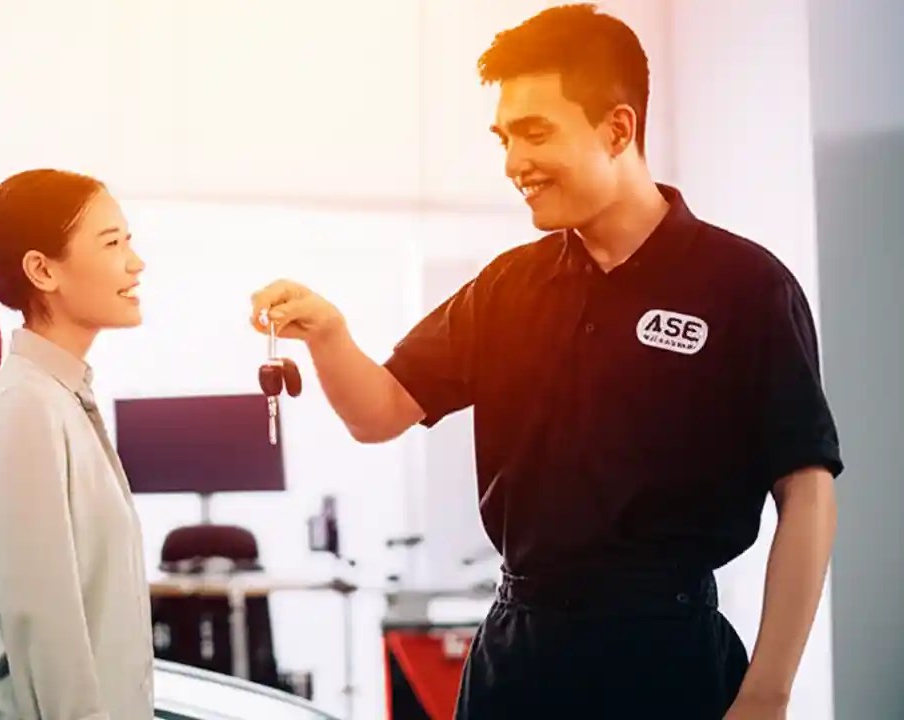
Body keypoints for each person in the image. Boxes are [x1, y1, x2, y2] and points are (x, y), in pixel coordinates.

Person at [249, 4, 842, 718]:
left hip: (667, 656)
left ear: (617, 128)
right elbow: (381, 413)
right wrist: (329, 335)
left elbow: (806, 493)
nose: (512, 164)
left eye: (535, 133)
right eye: (503, 138)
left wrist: (768, 694)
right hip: (518, 656)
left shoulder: (744, 285)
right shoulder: (507, 286)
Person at [0, 168, 153, 720]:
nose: (135, 262)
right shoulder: (25, 404)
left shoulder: (60, 398)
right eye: (112, 243)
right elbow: (47, 629)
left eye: (128, 240)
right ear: (42, 269)